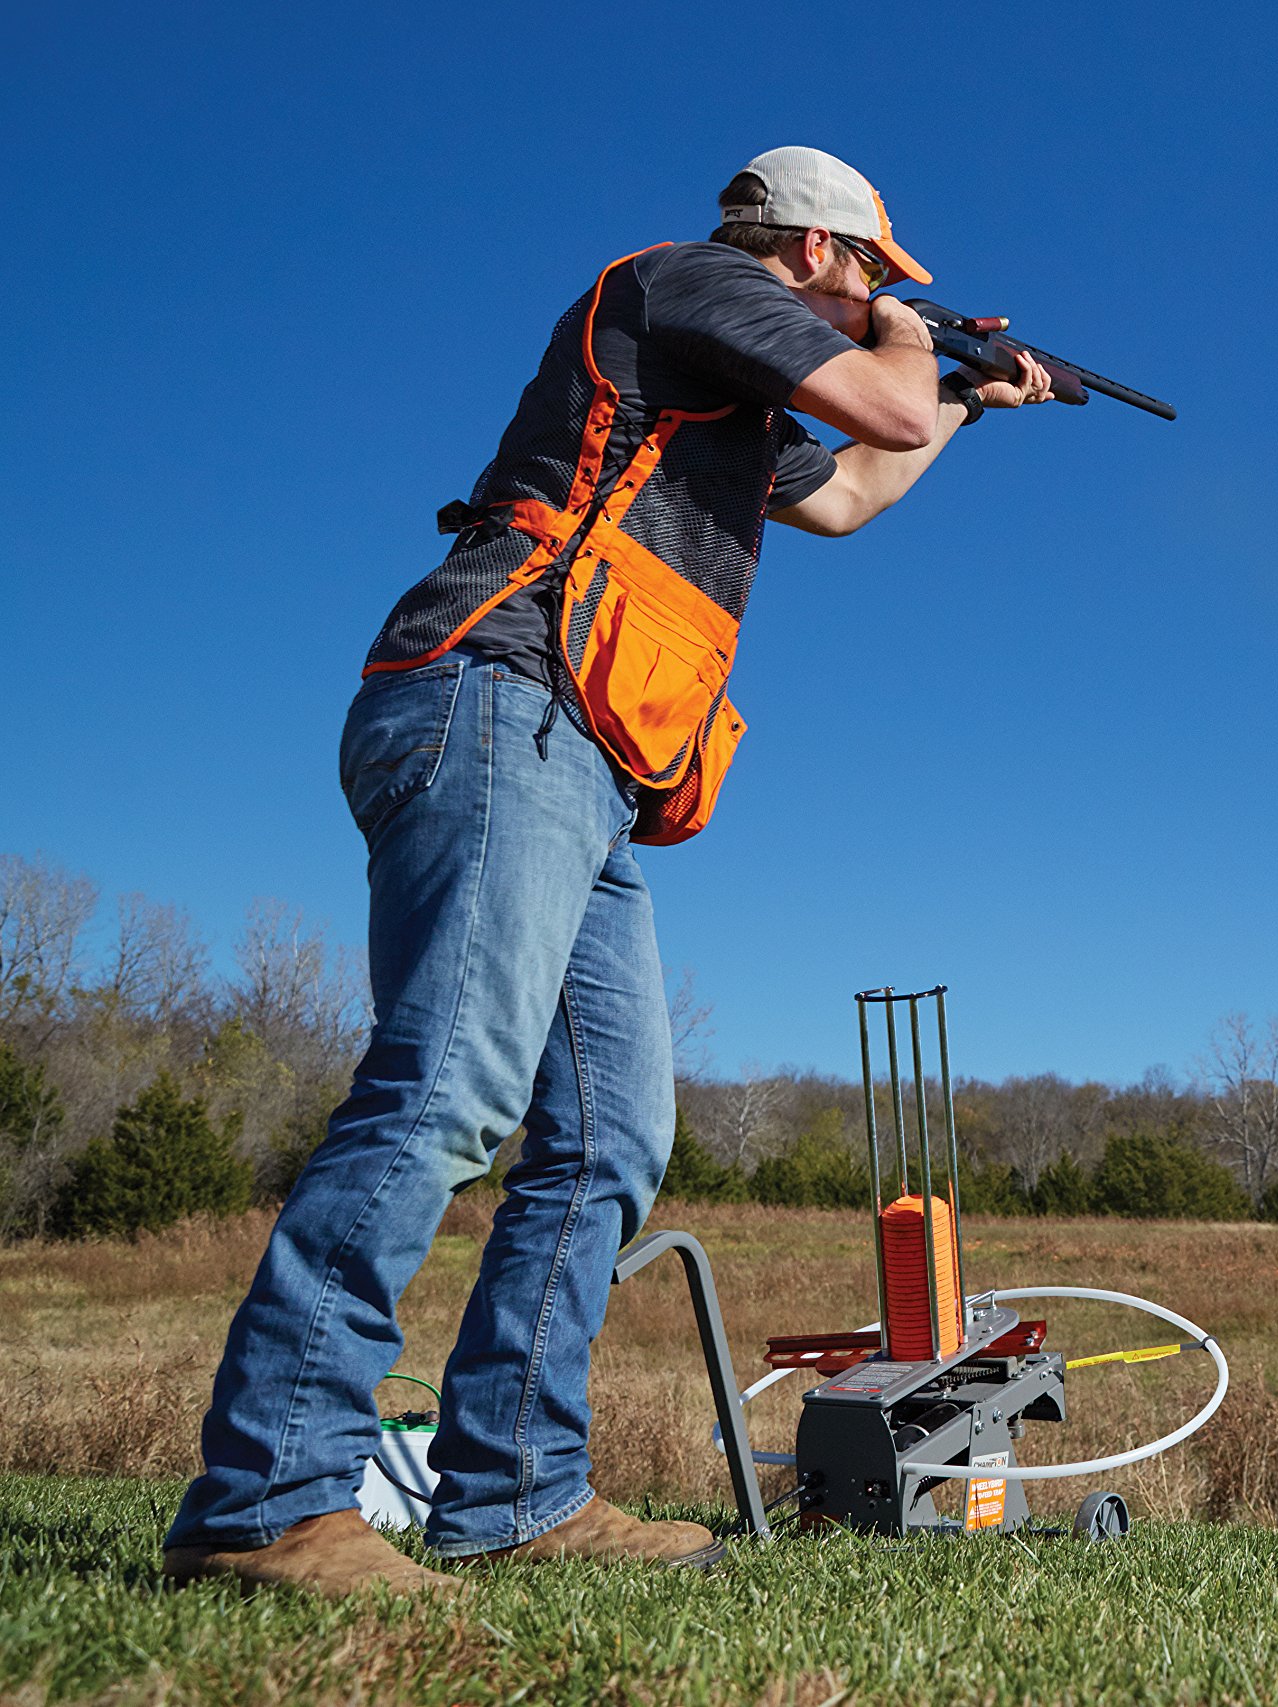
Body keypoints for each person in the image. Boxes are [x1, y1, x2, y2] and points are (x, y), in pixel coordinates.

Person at [161, 146, 1053, 1596]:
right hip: (499, 698)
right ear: (818, 253)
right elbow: (882, 389)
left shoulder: (747, 384)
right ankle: (266, 1505)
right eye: (878, 275)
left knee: (607, 1142)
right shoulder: (692, 283)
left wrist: (973, 398)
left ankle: (515, 1495)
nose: (887, 299)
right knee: (445, 1094)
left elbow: (852, 494)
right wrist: (920, 354)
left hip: (586, 755)